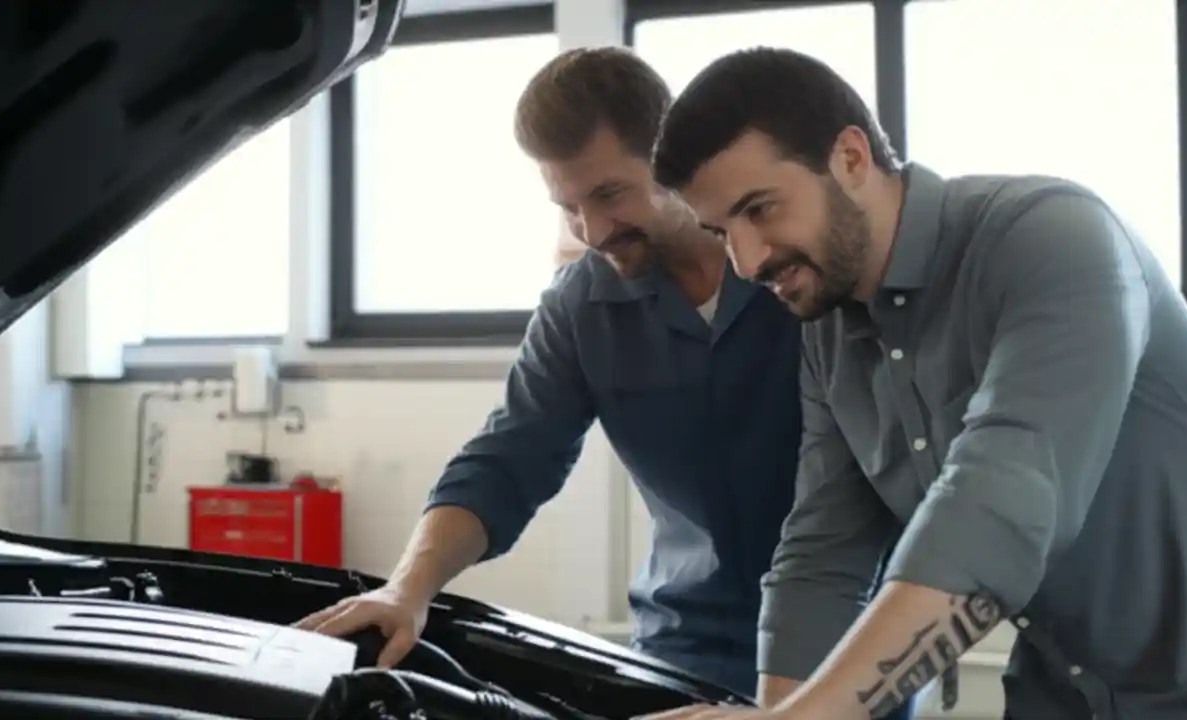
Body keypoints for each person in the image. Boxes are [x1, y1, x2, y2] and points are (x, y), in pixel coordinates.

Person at [640, 45, 1187, 720]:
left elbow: (1000, 502)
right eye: (721, 232)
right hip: (1063, 691)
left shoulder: (1055, 237)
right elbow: (823, 553)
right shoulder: (829, 331)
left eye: (761, 210)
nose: (746, 261)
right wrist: (777, 713)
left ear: (850, 158)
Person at [293, 47, 808, 700]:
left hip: (839, 641)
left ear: (672, 157)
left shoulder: (799, 273)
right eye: (568, 206)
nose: (592, 230)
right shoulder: (580, 305)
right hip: (682, 651)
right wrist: (406, 589)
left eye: (609, 194)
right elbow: (508, 460)